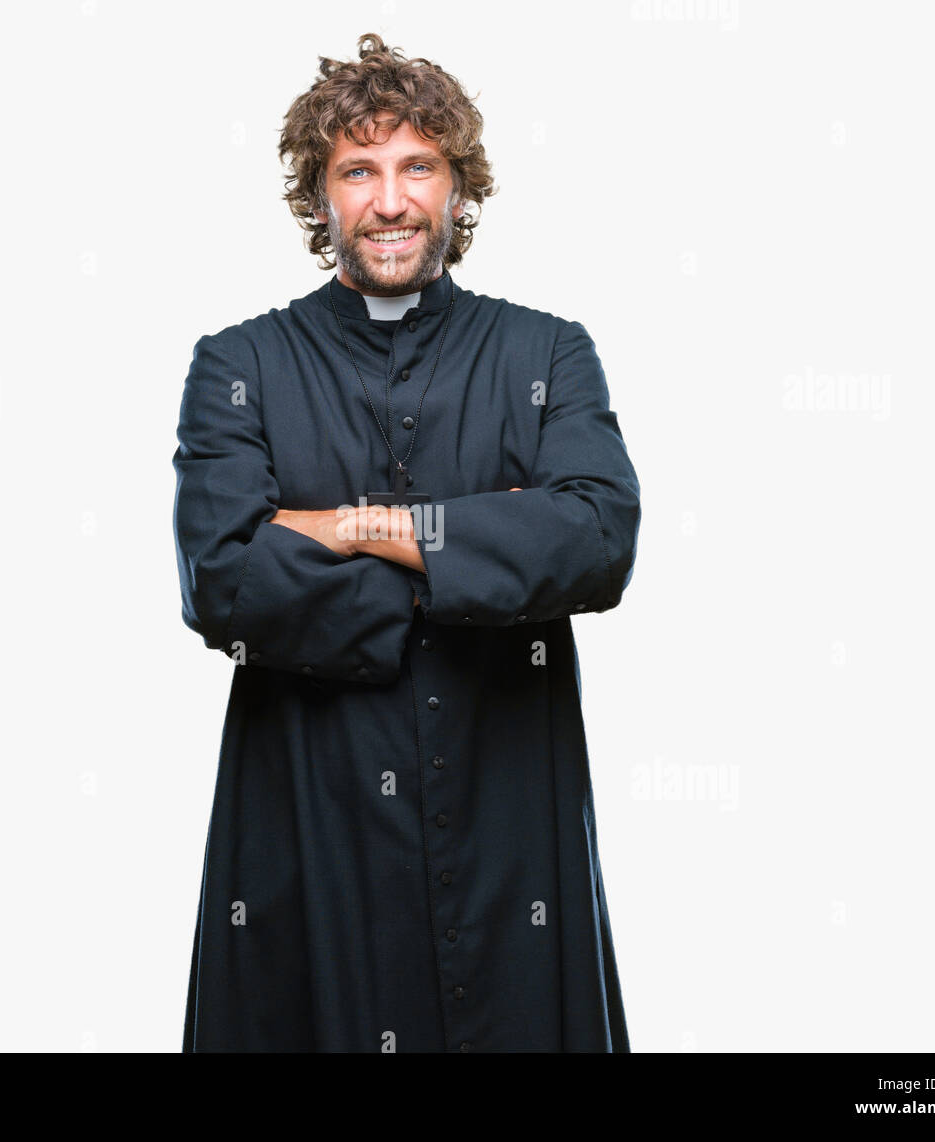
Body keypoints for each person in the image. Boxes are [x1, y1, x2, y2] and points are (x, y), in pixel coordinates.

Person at [173, 32, 641, 1052]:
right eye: (358, 171)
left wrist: (344, 527)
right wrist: (482, 540)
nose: (390, 200)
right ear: (320, 197)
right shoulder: (237, 362)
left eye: (417, 165)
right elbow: (223, 577)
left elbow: (598, 536)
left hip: (506, 811)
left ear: (459, 189)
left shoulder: (545, 350)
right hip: (310, 813)